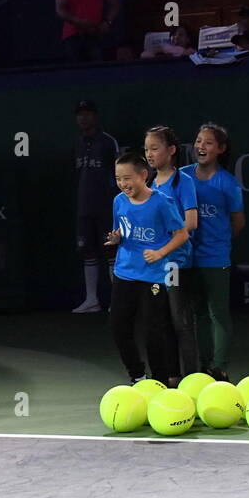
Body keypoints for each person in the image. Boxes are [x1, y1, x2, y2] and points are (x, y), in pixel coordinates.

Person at [104, 151, 187, 386]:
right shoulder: (118, 201)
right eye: (118, 178)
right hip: (124, 273)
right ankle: (138, 376)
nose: (122, 184)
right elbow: (122, 231)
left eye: (127, 178)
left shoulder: (162, 202)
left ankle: (159, 382)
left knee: (154, 333)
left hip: (153, 277)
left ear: (143, 175)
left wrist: (160, 253)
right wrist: (116, 239)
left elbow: (181, 235)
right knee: (118, 326)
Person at [181, 124, 245, 383]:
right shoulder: (183, 177)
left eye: (208, 143)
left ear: (220, 149)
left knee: (218, 312)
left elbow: (238, 221)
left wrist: (219, 241)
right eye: (198, 141)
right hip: (188, 258)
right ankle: (203, 365)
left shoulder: (228, 183)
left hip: (216, 258)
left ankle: (219, 367)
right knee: (198, 314)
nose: (201, 147)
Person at [143, 126, 200, 383]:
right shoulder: (148, 184)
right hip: (153, 266)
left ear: (172, 150)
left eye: (155, 148)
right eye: (146, 149)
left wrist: (164, 243)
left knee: (181, 322)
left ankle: (193, 378)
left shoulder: (183, 182)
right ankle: (172, 376)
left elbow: (191, 222)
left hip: (176, 263)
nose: (149, 154)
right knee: (160, 321)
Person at [72, 99, 121, 313]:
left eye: (88, 113)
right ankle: (91, 299)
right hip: (84, 207)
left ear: (95, 116)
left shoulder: (108, 142)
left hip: (106, 206)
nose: (84, 117)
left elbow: (119, 173)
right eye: (80, 114)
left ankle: (118, 301)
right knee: (87, 250)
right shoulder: (77, 143)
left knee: (111, 250)